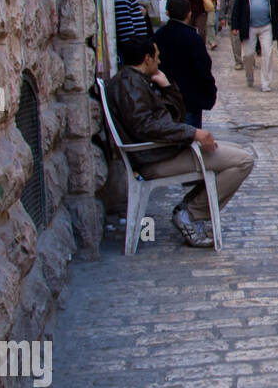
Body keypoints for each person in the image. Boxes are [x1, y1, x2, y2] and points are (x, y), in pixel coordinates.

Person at [106, 35, 255, 247]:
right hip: (155, 158)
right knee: (242, 161)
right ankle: (191, 214)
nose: (159, 61)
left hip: (163, 151)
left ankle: (190, 209)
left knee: (238, 153)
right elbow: (146, 127)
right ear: (147, 59)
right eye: (156, 57)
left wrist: (167, 87)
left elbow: (173, 116)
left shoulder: (135, 81)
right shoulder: (130, 85)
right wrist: (193, 133)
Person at [155, 0, 217, 128]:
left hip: (165, 98)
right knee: (190, 138)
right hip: (189, 99)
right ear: (189, 14)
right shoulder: (193, 38)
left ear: (167, 13)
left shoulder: (158, 36)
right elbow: (203, 67)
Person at [229, 0, 278, 92]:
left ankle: (266, 83)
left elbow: (275, 6)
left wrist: (277, 24)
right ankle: (249, 76)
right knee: (248, 55)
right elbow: (237, 7)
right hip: (249, 26)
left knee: (267, 54)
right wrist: (235, 26)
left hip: (266, 25)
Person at [221, 0, 248, 69]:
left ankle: (249, 60)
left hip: (247, 19)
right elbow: (224, 2)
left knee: (248, 41)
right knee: (235, 42)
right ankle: (238, 62)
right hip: (233, 19)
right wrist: (222, 17)